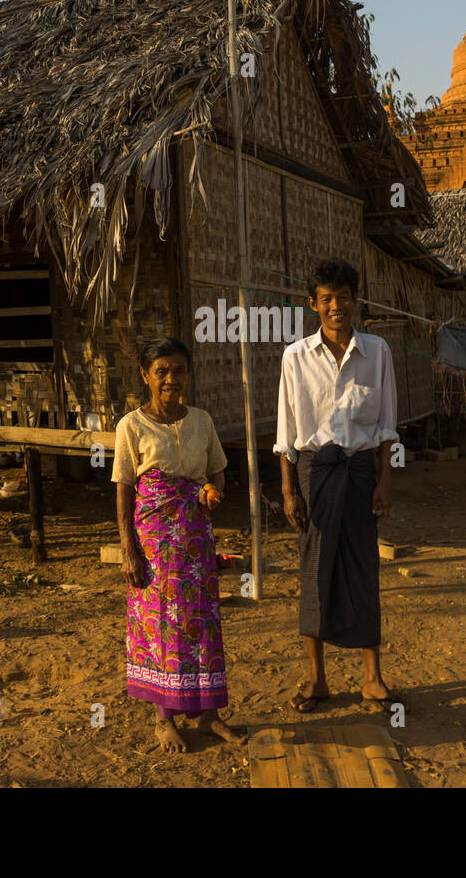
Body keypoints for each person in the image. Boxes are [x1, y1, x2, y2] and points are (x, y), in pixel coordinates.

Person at [275, 257, 400, 713]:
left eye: (343, 297)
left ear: (355, 300)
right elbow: (286, 433)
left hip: (362, 472)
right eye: (326, 299)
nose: (336, 306)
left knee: (364, 570)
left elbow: (387, 426)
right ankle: (316, 679)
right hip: (314, 474)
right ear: (313, 304)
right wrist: (289, 491)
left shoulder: (378, 352)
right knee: (314, 573)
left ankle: (372, 678)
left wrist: (385, 482)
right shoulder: (294, 357)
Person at [112, 336, 245, 751]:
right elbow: (124, 491)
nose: (171, 379)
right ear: (145, 377)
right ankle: (164, 718)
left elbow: (218, 472)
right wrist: (128, 550)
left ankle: (209, 716)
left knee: (203, 624)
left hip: (196, 542)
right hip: (152, 545)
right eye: (162, 372)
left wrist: (212, 490)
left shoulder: (202, 421)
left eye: (179, 370)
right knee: (159, 628)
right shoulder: (131, 426)